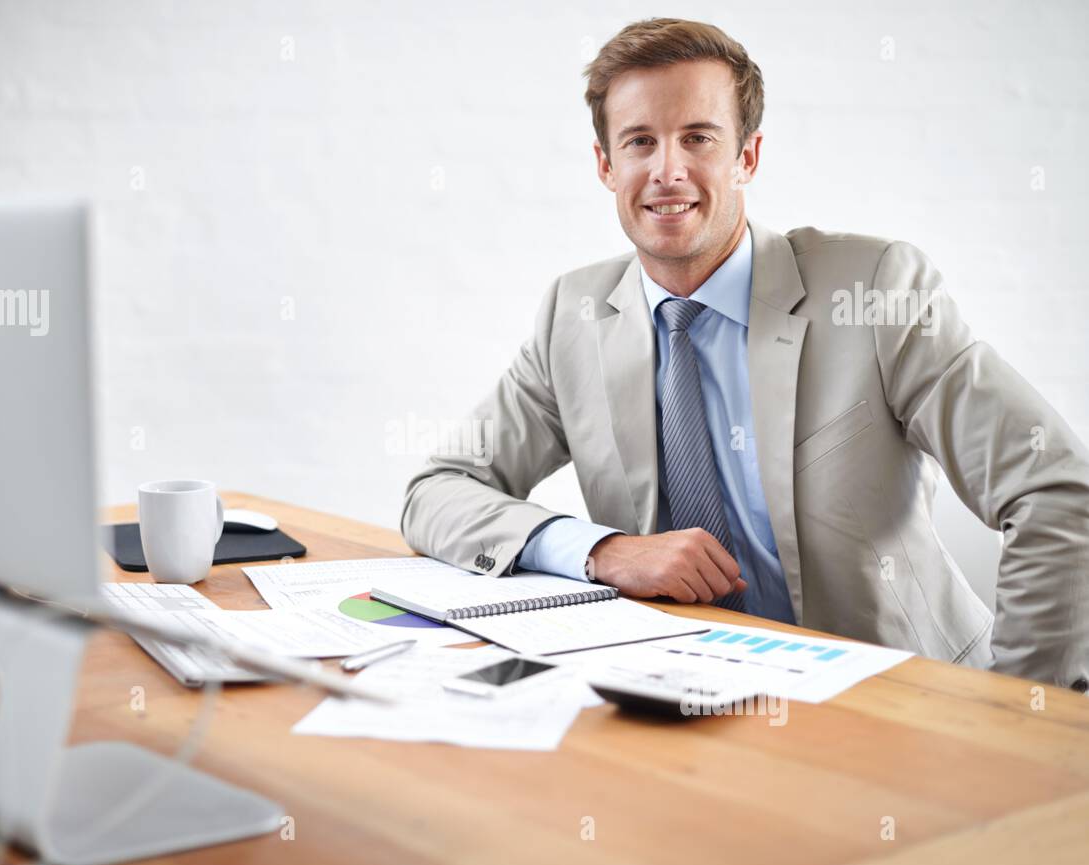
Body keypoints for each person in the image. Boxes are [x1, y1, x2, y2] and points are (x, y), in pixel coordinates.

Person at [400, 17, 1089, 690]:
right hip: (684, 709)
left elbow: (1053, 489)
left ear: (747, 157)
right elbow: (438, 492)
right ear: (607, 167)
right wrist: (601, 551)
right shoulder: (573, 317)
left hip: (903, 705)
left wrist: (1025, 713)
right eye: (640, 142)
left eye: (697, 137)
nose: (668, 170)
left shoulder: (875, 290)